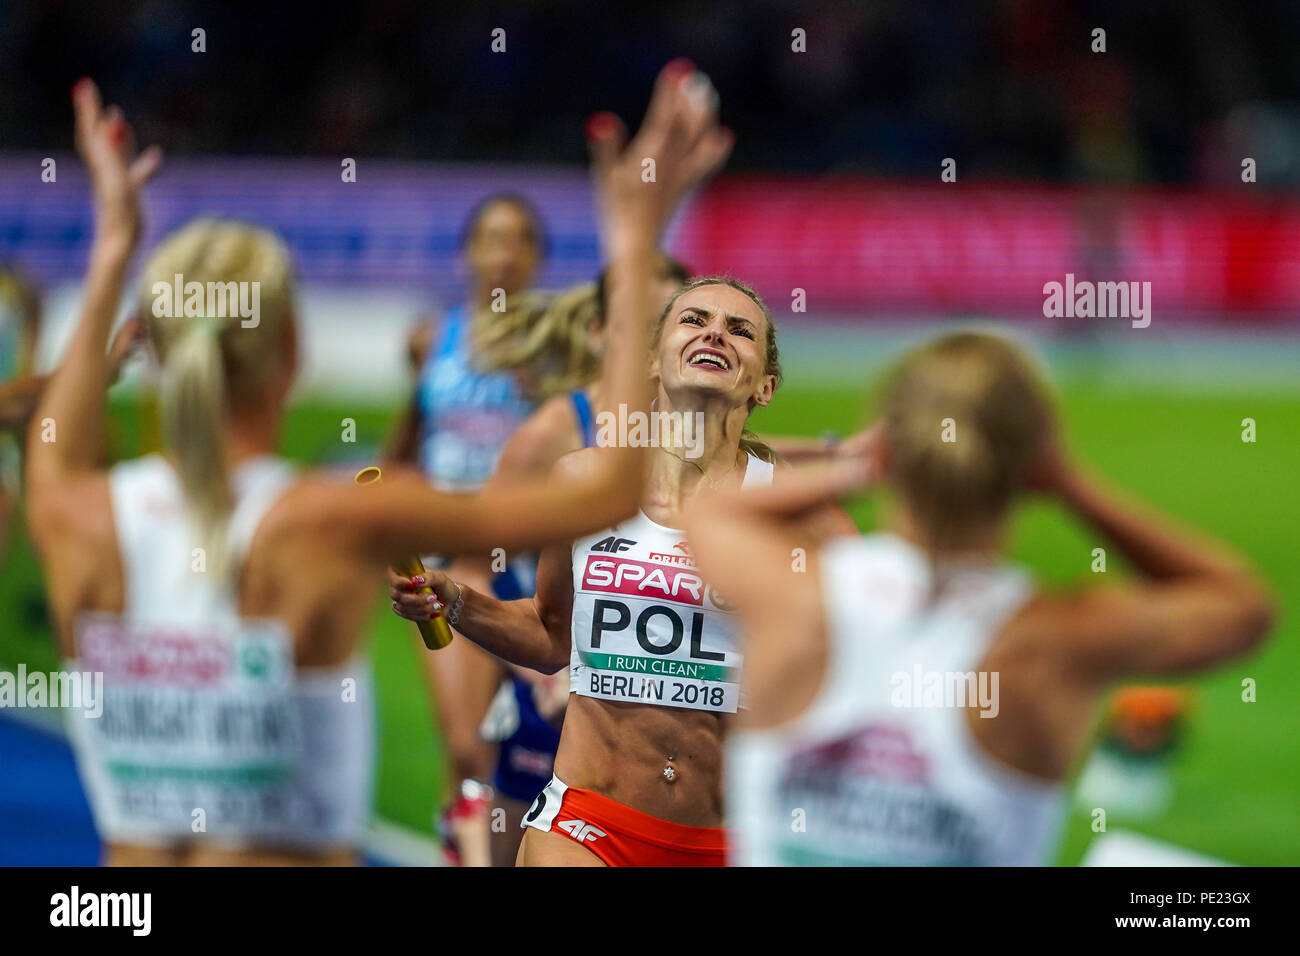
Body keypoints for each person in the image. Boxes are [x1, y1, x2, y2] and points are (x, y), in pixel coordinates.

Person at [25, 64, 726, 865]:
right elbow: (614, 482)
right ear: (292, 354)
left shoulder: (69, 515)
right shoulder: (333, 518)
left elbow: (55, 443)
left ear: (149, 346)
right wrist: (636, 239)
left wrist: (115, 239)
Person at [681, 329, 1276, 865]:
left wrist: (858, 466)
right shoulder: (1057, 640)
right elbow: (1243, 605)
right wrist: (1070, 485)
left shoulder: (791, 596)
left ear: (893, 447)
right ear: (1027, 463)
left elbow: (711, 506)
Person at [390, 273, 858, 866]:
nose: (714, 333)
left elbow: (874, 642)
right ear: (652, 363)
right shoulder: (585, 483)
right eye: (693, 320)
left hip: (731, 838)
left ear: (763, 386)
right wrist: (455, 599)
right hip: (589, 821)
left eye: (740, 331)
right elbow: (551, 632)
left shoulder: (799, 514)